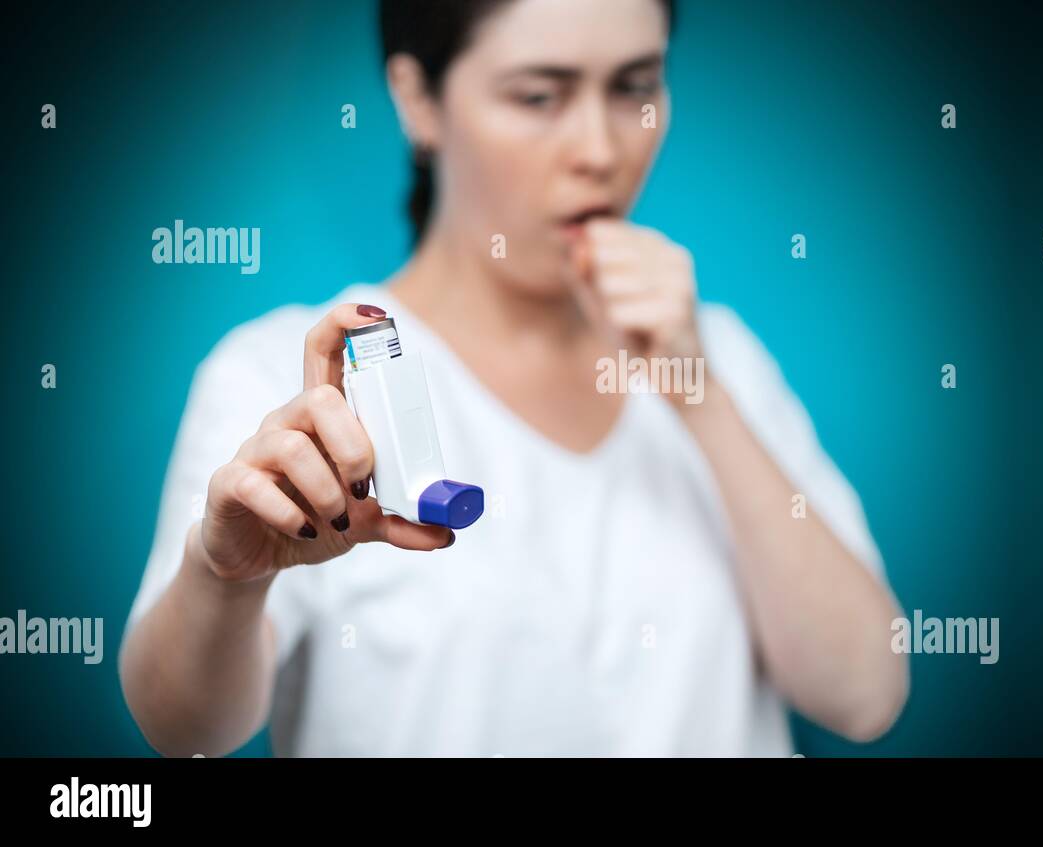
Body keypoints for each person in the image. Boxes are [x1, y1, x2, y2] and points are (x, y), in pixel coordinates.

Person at [119, 0, 908, 757]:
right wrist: (224, 580)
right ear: (418, 99)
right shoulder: (291, 379)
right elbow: (187, 731)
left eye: (634, 86)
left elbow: (866, 695)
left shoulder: (721, 358)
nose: (600, 149)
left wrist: (694, 391)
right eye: (539, 96)